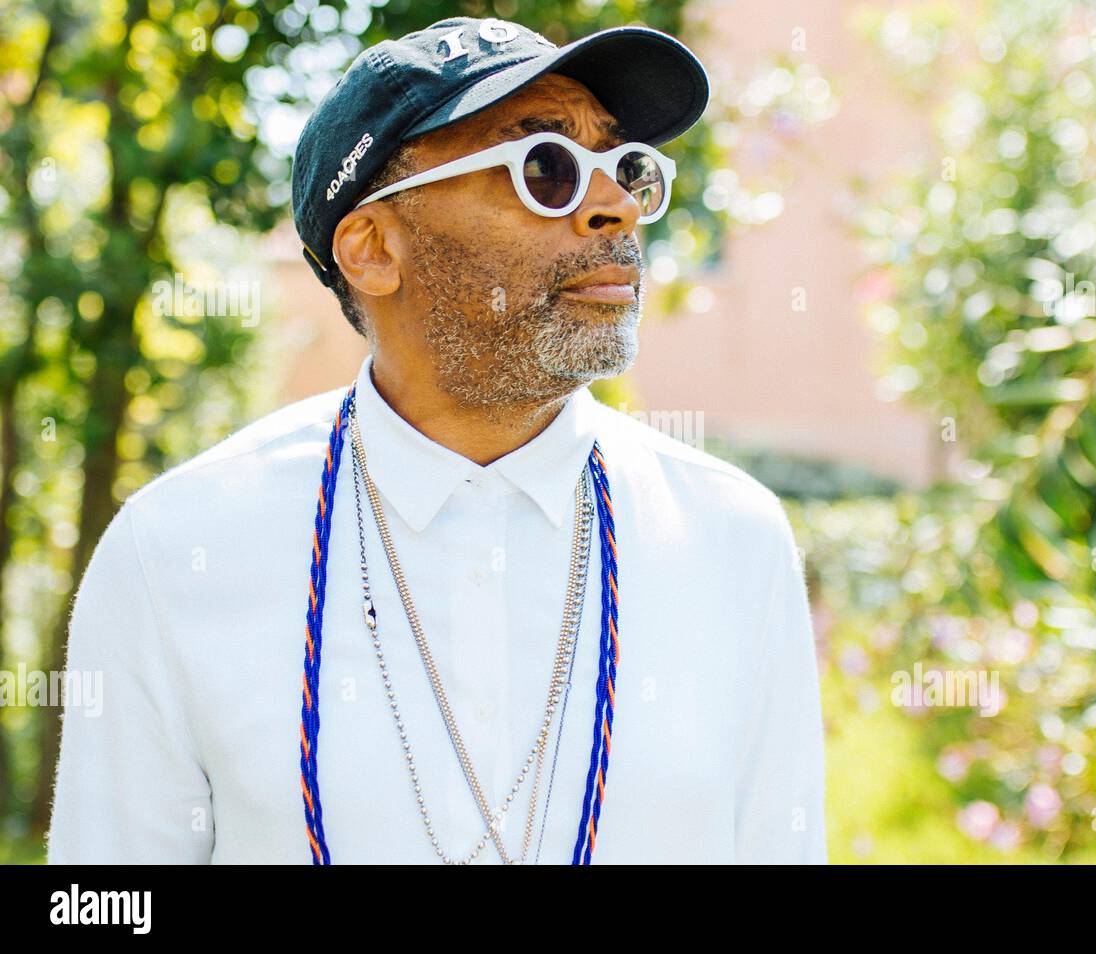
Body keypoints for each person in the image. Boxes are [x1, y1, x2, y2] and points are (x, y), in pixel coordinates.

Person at [47, 15, 827, 864]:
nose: (614, 206)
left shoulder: (733, 538)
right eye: (546, 168)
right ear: (375, 248)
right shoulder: (175, 552)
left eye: (624, 167)